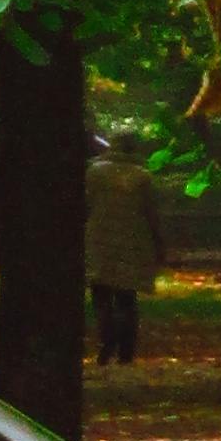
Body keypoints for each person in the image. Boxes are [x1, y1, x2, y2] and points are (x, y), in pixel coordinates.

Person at [85, 128, 169, 365]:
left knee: (101, 292)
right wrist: (159, 244)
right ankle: (126, 349)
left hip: (99, 237)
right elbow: (151, 214)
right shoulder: (142, 177)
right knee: (126, 296)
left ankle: (107, 337)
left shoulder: (95, 172)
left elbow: (85, 205)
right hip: (133, 240)